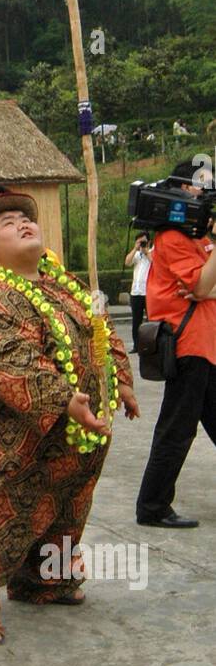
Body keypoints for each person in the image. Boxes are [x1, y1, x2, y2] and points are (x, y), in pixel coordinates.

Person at [0, 183, 138, 646]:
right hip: (5, 450)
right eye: (9, 223)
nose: (25, 223)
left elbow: (98, 328)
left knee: (65, 511)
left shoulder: (61, 286)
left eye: (27, 219)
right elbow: (2, 355)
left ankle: (46, 580)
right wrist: (64, 398)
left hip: (68, 444)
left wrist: (119, 377)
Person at [136, 158, 216, 529]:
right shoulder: (173, 237)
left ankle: (153, 503)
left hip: (206, 346)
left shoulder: (197, 237)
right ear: (181, 190)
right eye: (197, 184)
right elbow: (201, 287)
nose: (204, 190)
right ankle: (152, 506)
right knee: (176, 429)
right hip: (189, 347)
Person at [125, 234, 152, 351]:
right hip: (135, 292)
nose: (142, 244)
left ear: (149, 242)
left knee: (150, 320)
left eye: (144, 242)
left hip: (148, 292)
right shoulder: (136, 254)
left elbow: (156, 263)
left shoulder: (152, 252)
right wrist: (135, 248)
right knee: (136, 320)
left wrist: (146, 252)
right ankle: (136, 345)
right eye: (140, 242)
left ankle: (151, 344)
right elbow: (127, 262)